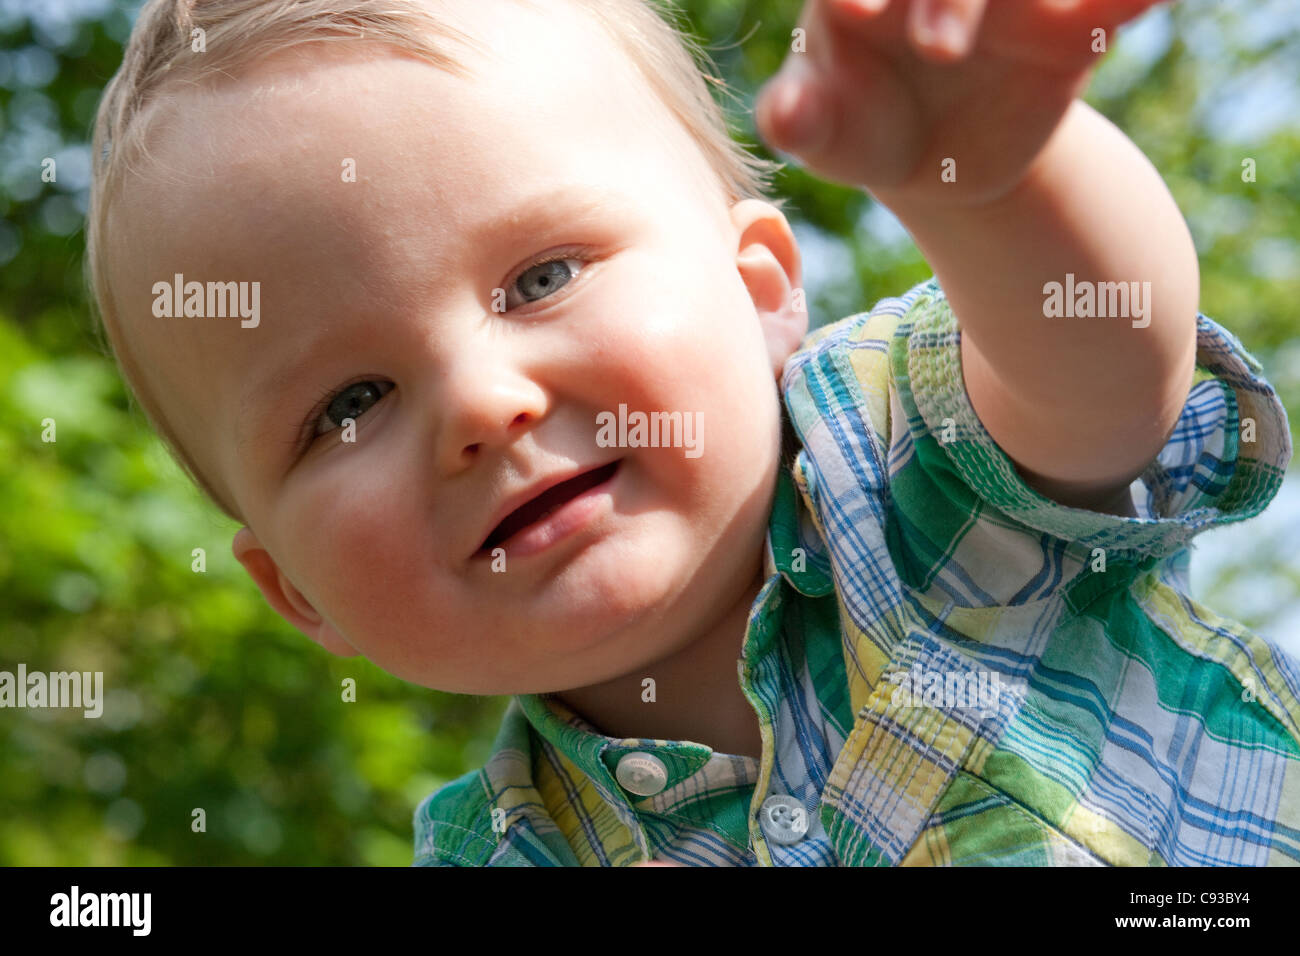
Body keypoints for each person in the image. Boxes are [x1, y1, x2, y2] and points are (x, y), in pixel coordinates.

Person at [85, 0, 1299, 866]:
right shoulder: (495, 847)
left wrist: (983, 171)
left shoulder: (901, 454)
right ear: (297, 592)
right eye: (346, 405)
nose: (479, 403)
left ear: (763, 288)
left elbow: (1106, 368)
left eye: (542, 275)